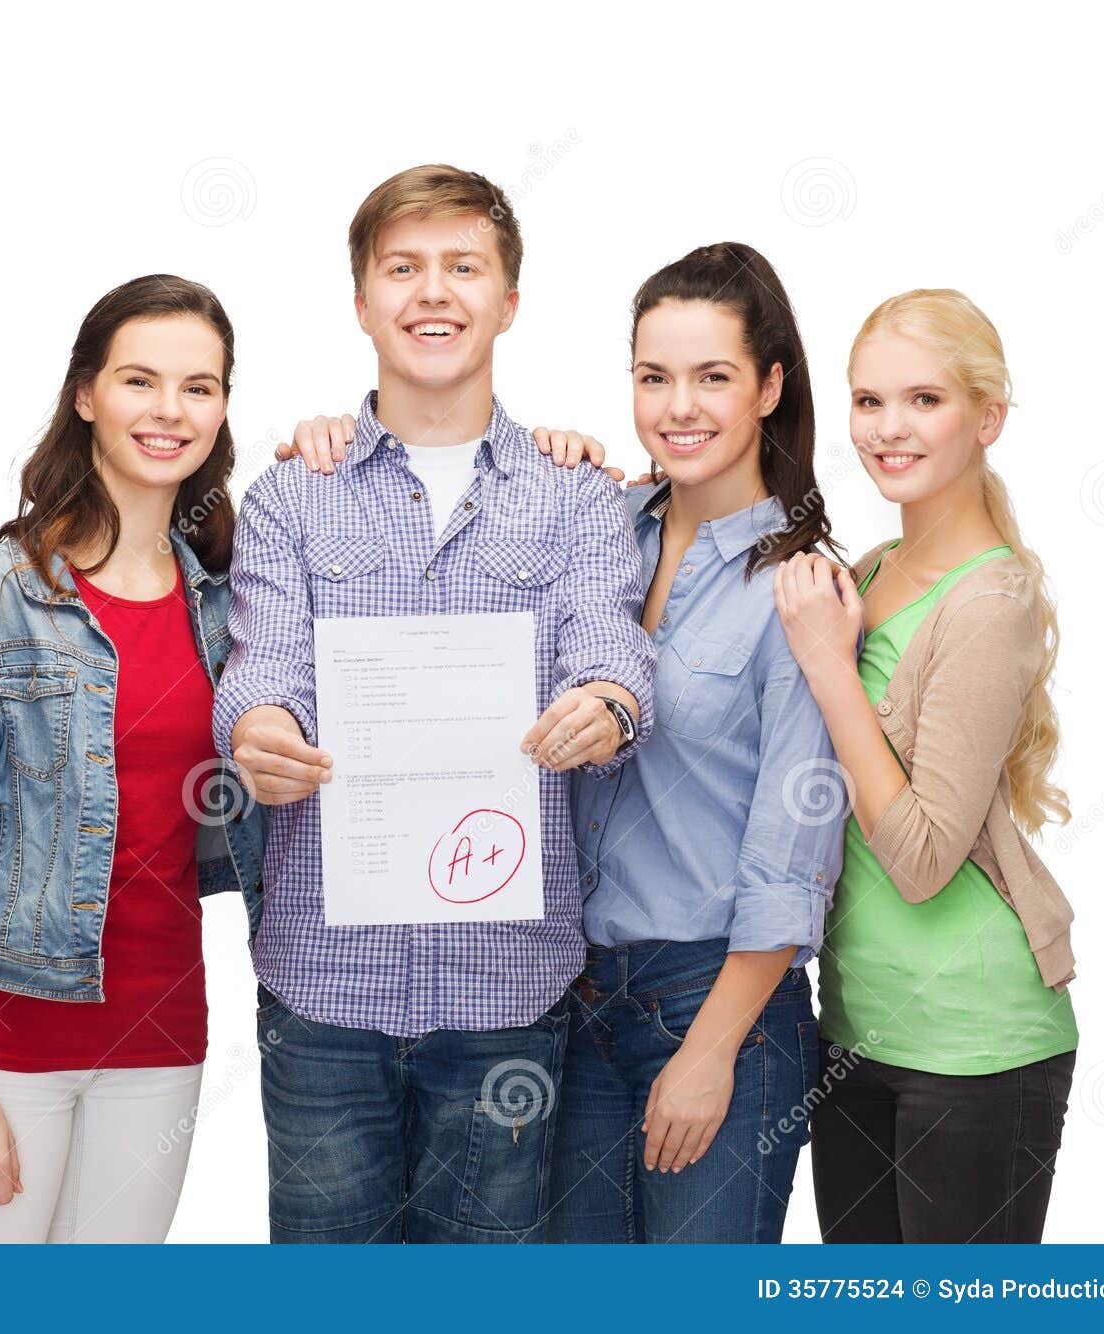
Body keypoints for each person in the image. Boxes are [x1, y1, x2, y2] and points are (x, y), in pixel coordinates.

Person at [215, 164, 655, 1243]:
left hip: (507, 983)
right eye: (402, 268)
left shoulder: (576, 496)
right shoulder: (289, 495)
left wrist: (605, 701)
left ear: (508, 300)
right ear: (360, 301)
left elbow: (612, 644)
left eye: (465, 266)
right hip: (324, 981)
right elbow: (261, 662)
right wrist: (259, 731)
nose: (433, 292)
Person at [0, 275, 265, 1243]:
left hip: (165, 1032)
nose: (169, 411)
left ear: (222, 410)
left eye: (200, 386)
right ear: (86, 395)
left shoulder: (228, 605)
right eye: (141, 380)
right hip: (9, 1044)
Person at [543, 243, 844, 1243]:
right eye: (652, 376)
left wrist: (711, 1047)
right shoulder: (596, 531)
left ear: (767, 385)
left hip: (718, 998)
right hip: (577, 995)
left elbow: (792, 847)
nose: (678, 405)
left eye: (712, 376)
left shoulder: (799, 585)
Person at [774, 289, 1079, 1244]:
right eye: (868, 402)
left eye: (924, 400)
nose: (887, 429)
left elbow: (921, 857)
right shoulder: (864, 576)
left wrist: (830, 666)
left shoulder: (992, 598)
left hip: (977, 1039)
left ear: (987, 418)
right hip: (855, 1025)